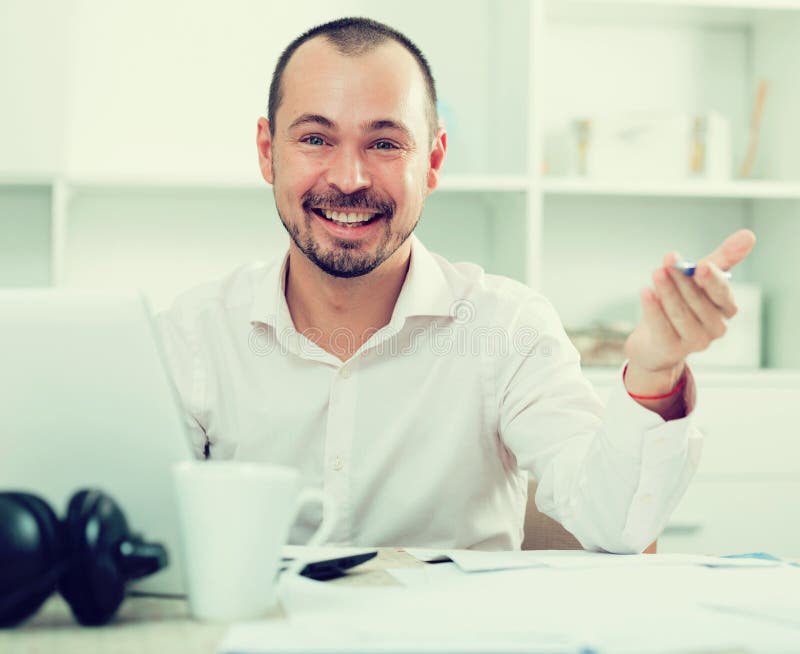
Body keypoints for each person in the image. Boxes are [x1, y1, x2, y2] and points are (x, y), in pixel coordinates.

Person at [157, 17, 756, 553]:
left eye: (385, 143)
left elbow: (612, 522)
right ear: (268, 153)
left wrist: (654, 374)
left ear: (434, 161)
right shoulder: (195, 332)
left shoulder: (508, 326)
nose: (348, 177)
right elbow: (136, 527)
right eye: (315, 138)